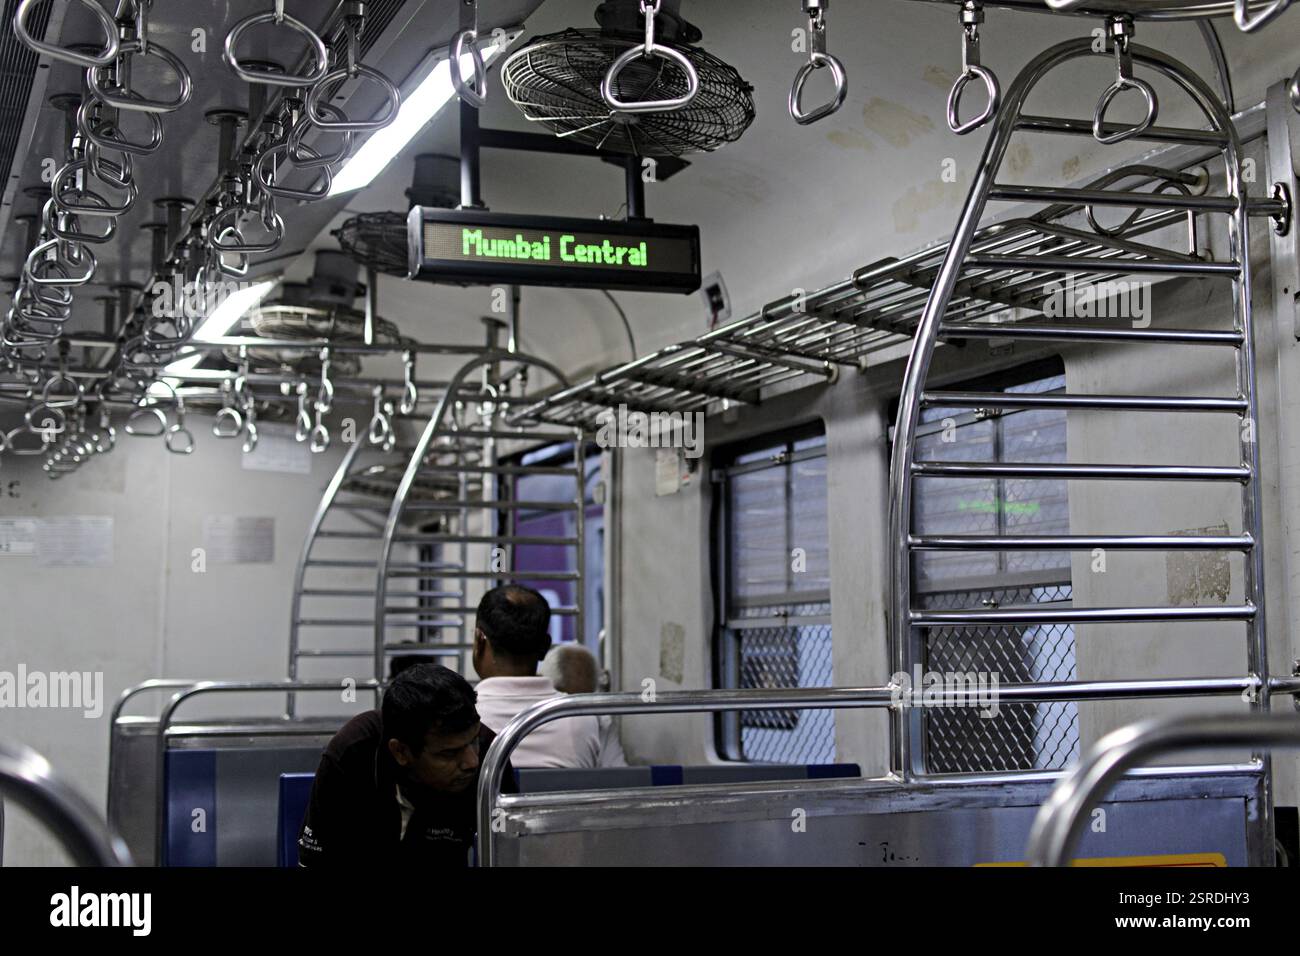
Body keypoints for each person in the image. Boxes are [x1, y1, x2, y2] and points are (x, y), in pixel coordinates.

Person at [297, 663, 513, 867]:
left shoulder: (491, 758)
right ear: (401, 751)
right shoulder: (352, 753)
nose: (471, 762)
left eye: (473, 741)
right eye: (449, 753)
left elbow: (509, 857)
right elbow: (315, 862)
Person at [472, 584, 626, 768]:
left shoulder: (461, 721)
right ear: (545, 647)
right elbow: (621, 782)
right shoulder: (588, 719)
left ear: (479, 641)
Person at [541, 643, 627, 767]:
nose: (579, 715)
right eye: (569, 698)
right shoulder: (536, 718)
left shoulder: (600, 722)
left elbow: (619, 773)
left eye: (585, 699)